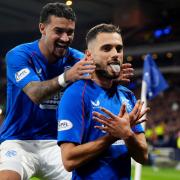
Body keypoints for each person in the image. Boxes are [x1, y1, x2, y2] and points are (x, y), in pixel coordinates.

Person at [0, 3, 133, 180]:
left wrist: (111, 76)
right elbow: (35, 93)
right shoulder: (20, 55)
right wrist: (67, 76)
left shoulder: (78, 59)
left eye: (70, 32)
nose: (65, 37)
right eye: (59, 31)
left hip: (57, 143)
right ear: (42, 28)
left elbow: (98, 81)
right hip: (18, 140)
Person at [57, 23, 149, 180]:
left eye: (119, 49)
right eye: (106, 48)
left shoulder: (127, 95)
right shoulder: (75, 95)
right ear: (89, 55)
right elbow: (68, 160)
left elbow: (143, 156)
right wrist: (113, 136)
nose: (115, 54)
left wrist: (127, 135)